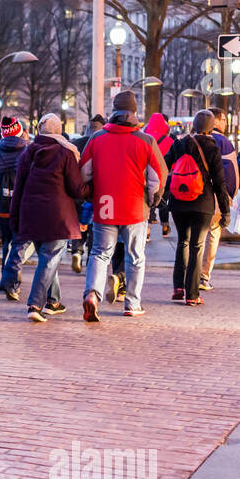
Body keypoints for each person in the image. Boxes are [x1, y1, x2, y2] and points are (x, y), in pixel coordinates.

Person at [78, 92, 167, 321]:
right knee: (135, 257)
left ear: (113, 111)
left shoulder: (97, 138)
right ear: (134, 112)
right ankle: (132, 303)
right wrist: (152, 200)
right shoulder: (146, 141)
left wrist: (92, 194)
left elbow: (84, 173)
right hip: (135, 207)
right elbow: (157, 178)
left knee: (99, 254)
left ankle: (92, 295)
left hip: (105, 205)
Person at [9, 113, 88, 322]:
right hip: (58, 216)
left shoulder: (28, 152)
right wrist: (92, 187)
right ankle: (35, 304)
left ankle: (53, 301)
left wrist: (15, 217)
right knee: (49, 258)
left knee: (47, 258)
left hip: (31, 214)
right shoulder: (66, 153)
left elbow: (18, 188)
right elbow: (77, 189)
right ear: (59, 130)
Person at [164, 110, 230, 306]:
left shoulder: (179, 143)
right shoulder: (213, 148)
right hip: (203, 203)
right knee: (197, 246)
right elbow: (219, 183)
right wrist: (225, 210)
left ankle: (178, 287)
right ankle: (192, 294)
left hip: (178, 201)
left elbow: (164, 165)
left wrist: (163, 193)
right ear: (211, 127)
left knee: (182, 242)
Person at [0, 116, 31, 300]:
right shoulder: (28, 152)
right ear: (19, 130)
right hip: (23, 207)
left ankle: (5, 278)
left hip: (2, 207)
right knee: (18, 245)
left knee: (8, 243)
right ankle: (12, 283)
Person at [199, 110, 239, 292]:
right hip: (214, 197)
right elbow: (230, 173)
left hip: (191, 195)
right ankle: (203, 276)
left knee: (193, 238)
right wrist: (229, 197)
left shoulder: (189, 139)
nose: (225, 123)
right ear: (215, 121)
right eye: (224, 119)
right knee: (212, 236)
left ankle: (188, 274)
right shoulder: (224, 143)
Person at [70, 115, 105, 272]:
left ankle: (77, 251)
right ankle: (91, 260)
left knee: (79, 223)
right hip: (97, 191)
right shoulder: (103, 142)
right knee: (94, 229)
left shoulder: (76, 143)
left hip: (77, 191)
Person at [144, 112, 175, 237]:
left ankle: (148, 230)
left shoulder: (144, 138)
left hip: (148, 175)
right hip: (166, 176)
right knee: (164, 200)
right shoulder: (169, 140)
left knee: (148, 201)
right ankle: (165, 226)